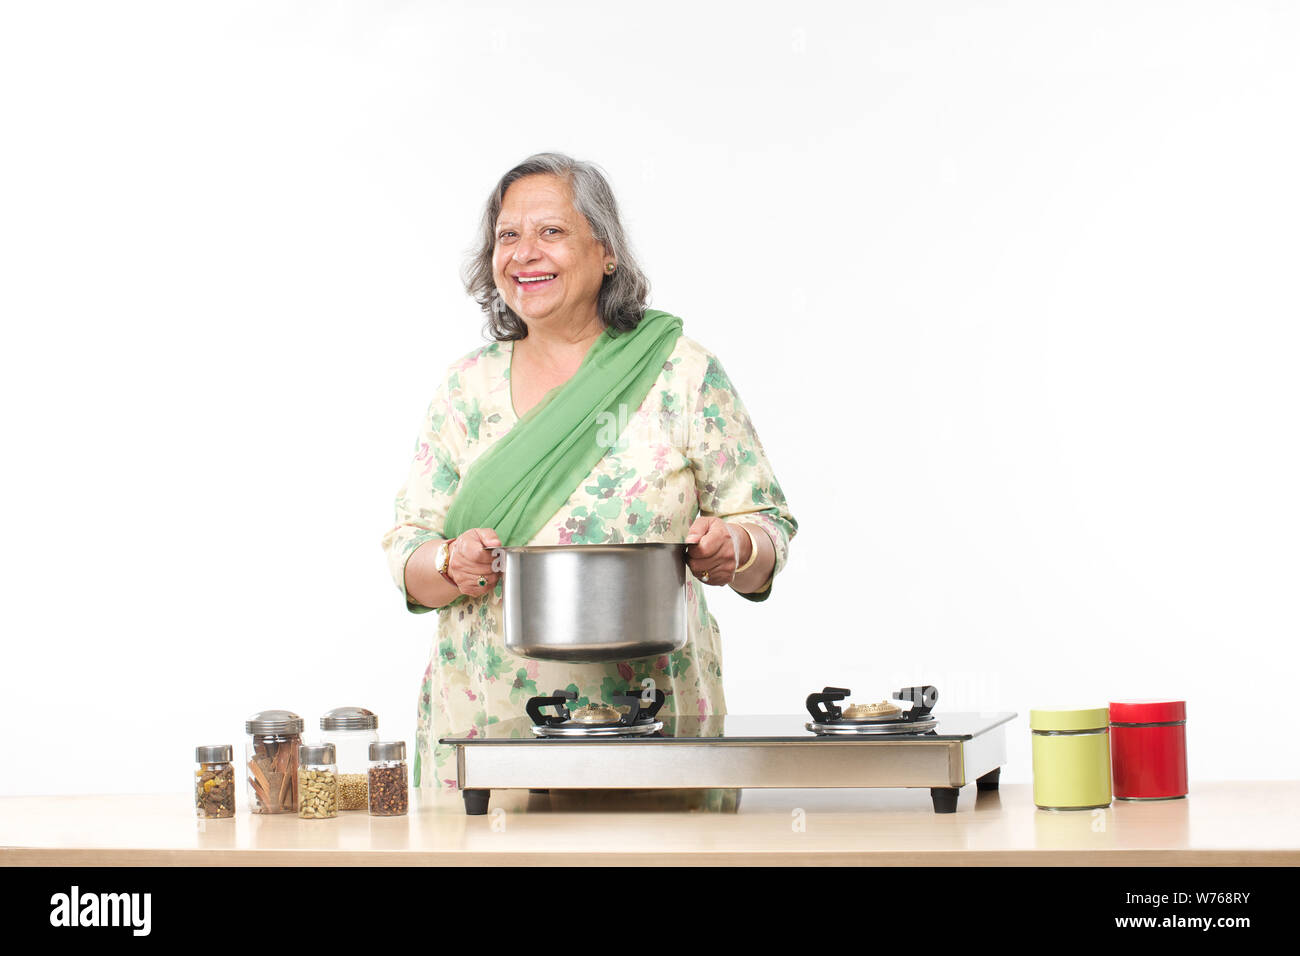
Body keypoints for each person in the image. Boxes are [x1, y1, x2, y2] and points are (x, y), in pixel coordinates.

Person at [381, 152, 798, 791]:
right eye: (507, 236)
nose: (524, 253)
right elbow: (409, 557)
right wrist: (447, 564)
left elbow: (766, 531)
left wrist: (735, 547)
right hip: (488, 729)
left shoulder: (679, 373)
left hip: (654, 730)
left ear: (605, 251)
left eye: (550, 231)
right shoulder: (466, 389)